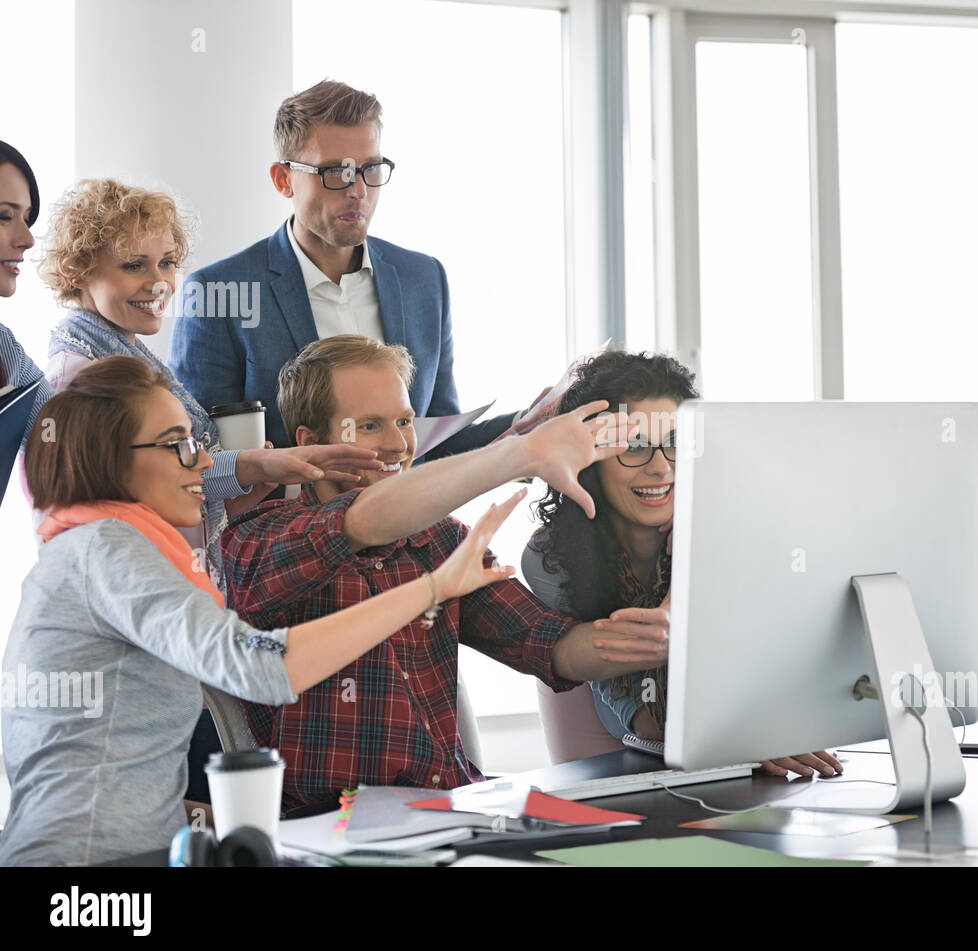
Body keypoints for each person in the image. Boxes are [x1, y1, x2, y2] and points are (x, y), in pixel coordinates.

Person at [0, 356, 526, 866]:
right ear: (112, 458)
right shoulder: (110, 550)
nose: (205, 462)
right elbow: (262, 667)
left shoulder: (92, 546)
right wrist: (432, 587)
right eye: (180, 446)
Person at [221, 335, 671, 814]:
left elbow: (546, 644)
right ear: (311, 443)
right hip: (330, 822)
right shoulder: (261, 538)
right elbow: (359, 520)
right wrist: (522, 452)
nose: (398, 444)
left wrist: (642, 643)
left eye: (404, 421)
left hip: (448, 806)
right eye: (370, 426)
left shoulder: (441, 540)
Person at [38, 178, 381, 590]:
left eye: (167, 262)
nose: (159, 281)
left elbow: (175, 497)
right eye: (134, 265)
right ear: (79, 272)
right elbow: (136, 490)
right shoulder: (76, 379)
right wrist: (255, 465)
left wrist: (253, 483)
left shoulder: (132, 363)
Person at [169, 78, 531, 457]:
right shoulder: (217, 293)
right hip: (281, 516)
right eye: (334, 172)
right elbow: (201, 459)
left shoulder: (424, 280)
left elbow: (437, 444)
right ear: (283, 179)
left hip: (408, 514)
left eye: (370, 169)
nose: (357, 190)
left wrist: (531, 424)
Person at [524, 350, 843, 778]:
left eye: (676, 442)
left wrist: (709, 547)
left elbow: (771, 660)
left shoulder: (740, 525)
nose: (660, 468)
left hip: (728, 745)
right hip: (607, 763)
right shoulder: (551, 556)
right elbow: (629, 703)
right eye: (634, 446)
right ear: (592, 459)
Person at [0, 141, 52, 446]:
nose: (28, 239)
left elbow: (64, 439)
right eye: (4, 216)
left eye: (27, 218)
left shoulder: (4, 350)